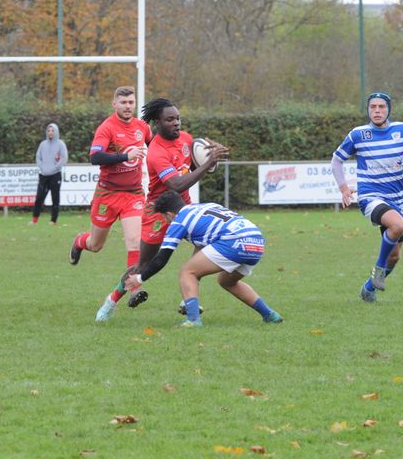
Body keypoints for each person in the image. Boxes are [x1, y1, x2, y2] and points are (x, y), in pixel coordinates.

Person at [96, 98, 227, 321]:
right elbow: (176, 184)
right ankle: (112, 300)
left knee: (205, 242)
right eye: (170, 119)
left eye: (178, 118)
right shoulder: (156, 151)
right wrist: (207, 164)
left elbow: (195, 168)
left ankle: (189, 298)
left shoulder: (186, 139)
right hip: (158, 211)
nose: (176, 123)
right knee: (143, 265)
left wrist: (210, 157)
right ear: (157, 122)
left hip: (184, 208)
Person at [122, 190, 282, 327]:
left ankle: (193, 320)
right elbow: (204, 244)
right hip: (256, 240)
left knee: (187, 272)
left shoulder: (179, 221)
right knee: (227, 281)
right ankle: (270, 315)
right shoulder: (205, 207)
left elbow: (161, 259)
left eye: (164, 218)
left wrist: (139, 278)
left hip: (234, 241)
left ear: (169, 214)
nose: (166, 221)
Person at [331, 91, 403, 302]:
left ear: (388, 109)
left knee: (395, 256)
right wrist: (344, 188)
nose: (377, 110)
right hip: (370, 197)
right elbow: (336, 160)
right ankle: (379, 269)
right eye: (372, 107)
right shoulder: (358, 134)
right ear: (368, 110)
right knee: (398, 226)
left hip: (397, 200)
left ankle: (368, 288)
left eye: (381, 107)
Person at [70, 86, 151, 267]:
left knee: (135, 241)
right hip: (107, 194)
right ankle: (80, 241)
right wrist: (125, 157)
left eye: (131, 102)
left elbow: (155, 147)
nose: (127, 106)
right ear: (114, 104)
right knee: (95, 245)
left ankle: (131, 283)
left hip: (133, 193)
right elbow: (95, 157)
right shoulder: (107, 127)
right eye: (123, 102)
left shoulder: (142, 127)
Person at [31, 123, 67, 225]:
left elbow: (64, 158)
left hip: (55, 175)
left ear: (56, 132)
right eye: (49, 131)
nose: (50, 132)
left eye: (52, 131)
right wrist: (42, 167)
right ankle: (34, 220)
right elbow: (38, 157)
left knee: (55, 198)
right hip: (43, 175)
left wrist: (54, 168)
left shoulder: (60, 144)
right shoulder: (43, 144)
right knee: (39, 198)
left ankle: (53, 220)